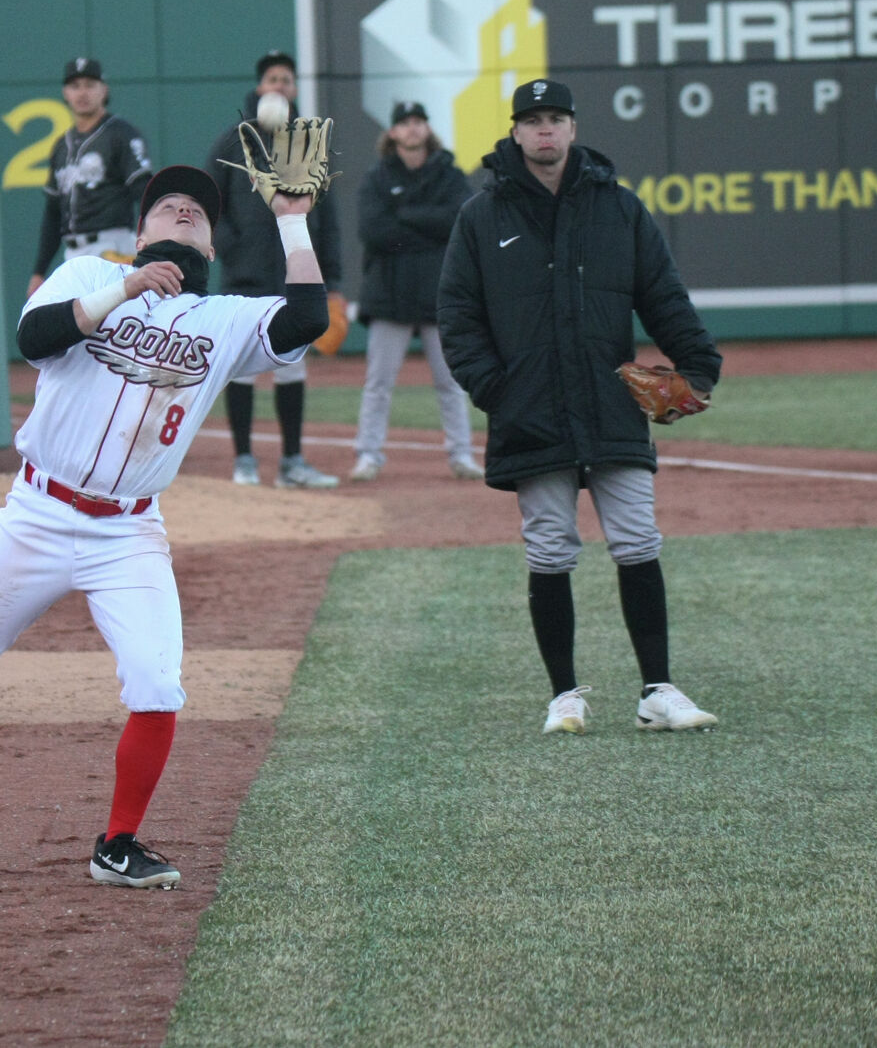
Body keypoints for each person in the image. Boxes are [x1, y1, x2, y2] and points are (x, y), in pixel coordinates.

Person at [0, 162, 333, 887]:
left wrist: (292, 220)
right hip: (37, 515)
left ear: (212, 244)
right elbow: (33, 337)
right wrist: (125, 289)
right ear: (139, 232)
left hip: (128, 532)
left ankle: (118, 844)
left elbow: (308, 318)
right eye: (168, 205)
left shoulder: (224, 318)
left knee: (157, 684)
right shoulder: (87, 276)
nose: (183, 210)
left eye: (197, 210)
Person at [437, 78, 723, 736]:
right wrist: (497, 389)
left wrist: (698, 364)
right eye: (532, 119)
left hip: (608, 403)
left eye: (555, 118)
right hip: (529, 410)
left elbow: (662, 293)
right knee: (549, 550)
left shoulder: (617, 207)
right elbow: (457, 315)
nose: (545, 129)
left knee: (637, 540)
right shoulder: (481, 216)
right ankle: (564, 696)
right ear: (515, 132)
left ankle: (658, 690)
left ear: (572, 127)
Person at [205, 51, 343, 489]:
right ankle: (244, 459)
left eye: (286, 79)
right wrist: (231, 248)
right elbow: (209, 202)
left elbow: (327, 217)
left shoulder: (307, 144)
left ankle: (292, 462)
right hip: (244, 278)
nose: (279, 85)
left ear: (295, 89)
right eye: (272, 79)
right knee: (242, 371)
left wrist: (332, 278)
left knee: (291, 369)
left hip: (293, 276)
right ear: (259, 87)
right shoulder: (234, 141)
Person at [348, 101, 481, 482]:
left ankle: (462, 455)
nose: (412, 128)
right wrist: (428, 229)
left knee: (450, 382)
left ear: (428, 128)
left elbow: (458, 221)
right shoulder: (376, 177)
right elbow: (373, 231)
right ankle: (368, 455)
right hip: (389, 294)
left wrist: (404, 214)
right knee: (378, 383)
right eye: (404, 123)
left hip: (440, 294)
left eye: (418, 121)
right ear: (392, 132)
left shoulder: (449, 174)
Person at [28, 56, 154, 298]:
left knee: (114, 316)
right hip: (73, 253)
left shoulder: (121, 134)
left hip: (114, 246)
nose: (82, 92)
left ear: (103, 90)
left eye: (89, 85)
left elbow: (144, 190)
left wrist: (154, 241)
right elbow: (54, 212)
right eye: (75, 86)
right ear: (65, 93)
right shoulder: (61, 145)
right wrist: (39, 271)